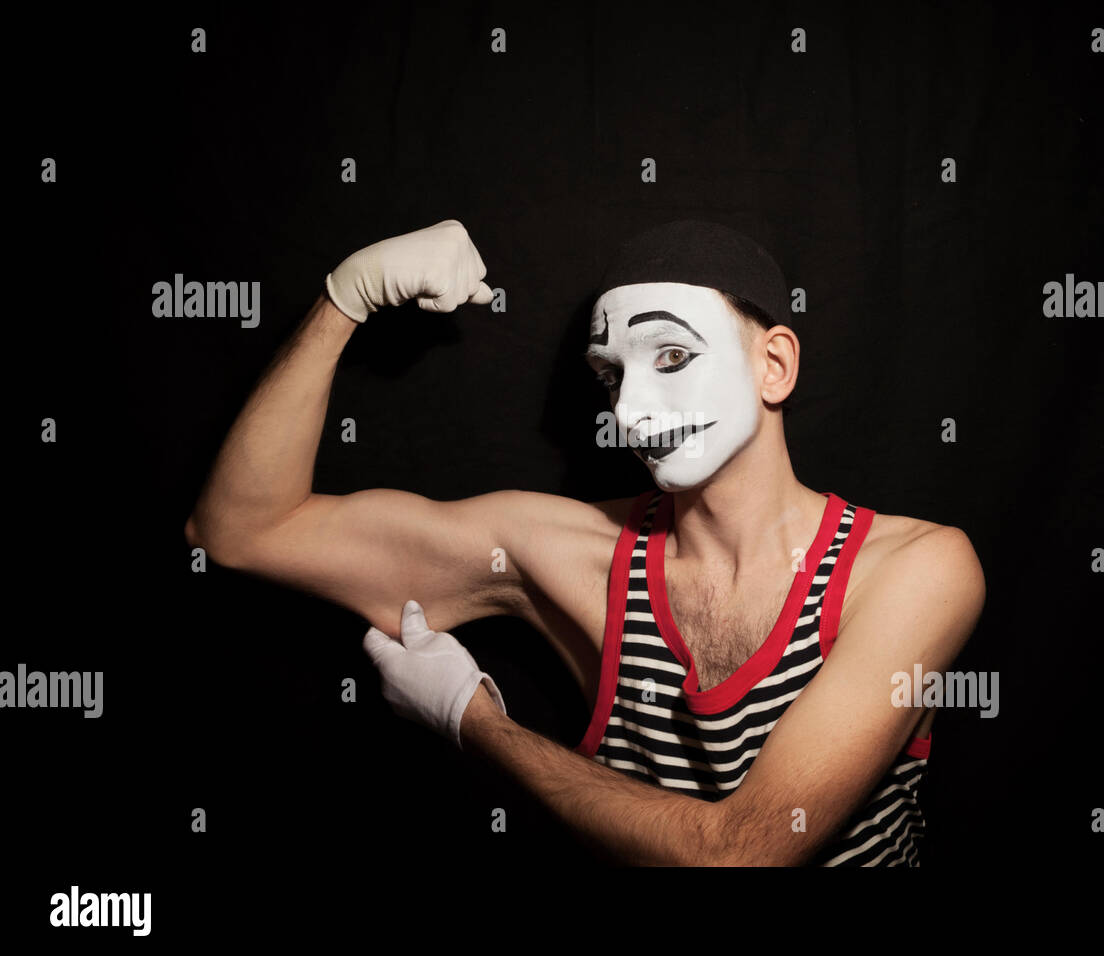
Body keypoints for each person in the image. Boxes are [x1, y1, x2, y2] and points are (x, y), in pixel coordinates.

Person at [185, 217, 985, 866]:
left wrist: (477, 726)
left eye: (671, 356)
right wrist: (346, 294)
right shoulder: (571, 556)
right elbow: (243, 529)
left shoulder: (914, 569)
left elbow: (745, 856)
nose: (631, 413)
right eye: (611, 375)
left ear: (774, 365)